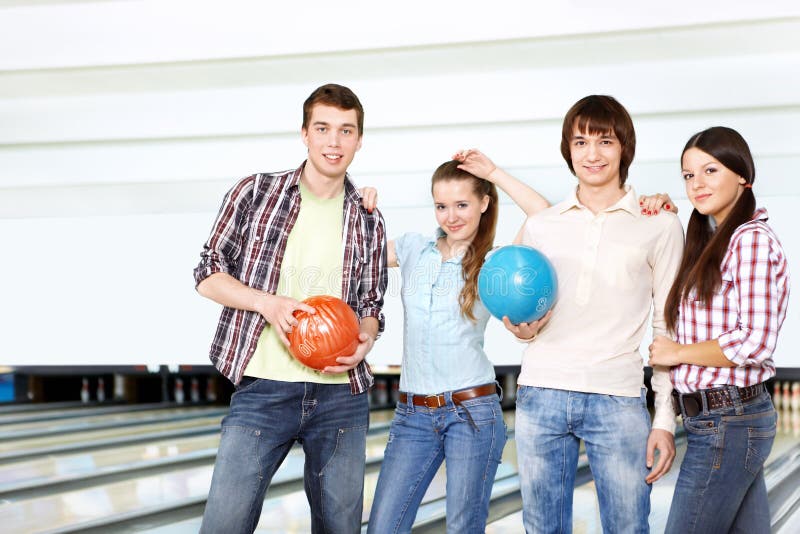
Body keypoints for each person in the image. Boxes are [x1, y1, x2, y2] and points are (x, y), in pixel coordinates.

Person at [193, 83, 388, 534]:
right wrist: (267, 303)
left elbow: (372, 301)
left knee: (340, 528)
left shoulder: (367, 215)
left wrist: (367, 336)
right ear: (304, 133)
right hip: (264, 389)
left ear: (359, 140)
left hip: (341, 394)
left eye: (345, 131)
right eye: (323, 128)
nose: (333, 142)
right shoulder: (256, 193)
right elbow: (207, 272)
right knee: (224, 524)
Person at [497, 95, 685, 533]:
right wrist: (522, 330)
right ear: (568, 151)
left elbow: (666, 326)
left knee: (627, 527)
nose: (592, 154)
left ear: (625, 149)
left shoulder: (658, 223)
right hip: (541, 391)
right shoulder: (544, 224)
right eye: (580, 142)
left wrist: (664, 420)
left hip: (617, 398)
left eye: (605, 141)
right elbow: (524, 307)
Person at [364, 154, 549, 534]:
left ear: (484, 203)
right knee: (382, 527)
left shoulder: (494, 264)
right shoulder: (414, 248)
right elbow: (354, 250)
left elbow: (543, 214)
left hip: (471, 413)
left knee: (464, 528)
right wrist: (357, 204)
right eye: (441, 206)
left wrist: (494, 173)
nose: (451, 216)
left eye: (462, 204)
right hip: (412, 415)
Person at [649, 126, 790, 533]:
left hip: (729, 419)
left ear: (742, 175)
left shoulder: (749, 240)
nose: (697, 184)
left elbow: (755, 340)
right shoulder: (710, 240)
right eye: (689, 176)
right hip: (723, 418)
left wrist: (677, 352)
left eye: (710, 171)